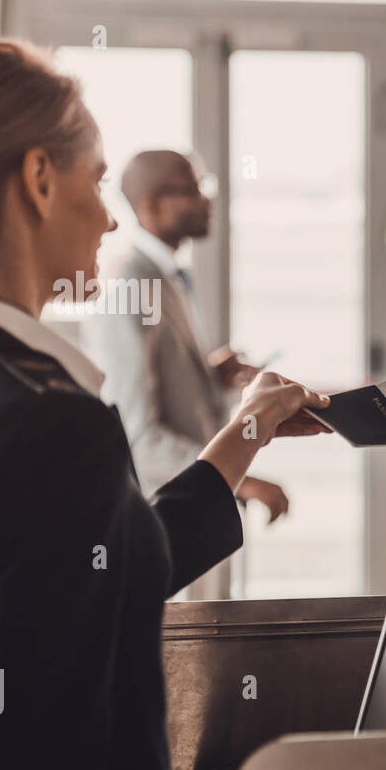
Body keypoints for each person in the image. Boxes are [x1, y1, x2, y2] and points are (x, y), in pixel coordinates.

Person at [0, 39, 330, 770]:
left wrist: (243, 437)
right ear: (36, 179)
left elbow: (99, 574)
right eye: (97, 181)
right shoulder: (51, 423)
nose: (107, 215)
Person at [91, 149, 288, 597]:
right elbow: (139, 434)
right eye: (193, 189)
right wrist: (241, 478)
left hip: (196, 513)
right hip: (167, 522)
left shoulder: (166, 277)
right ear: (151, 203)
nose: (207, 200)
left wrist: (209, 376)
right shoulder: (129, 288)